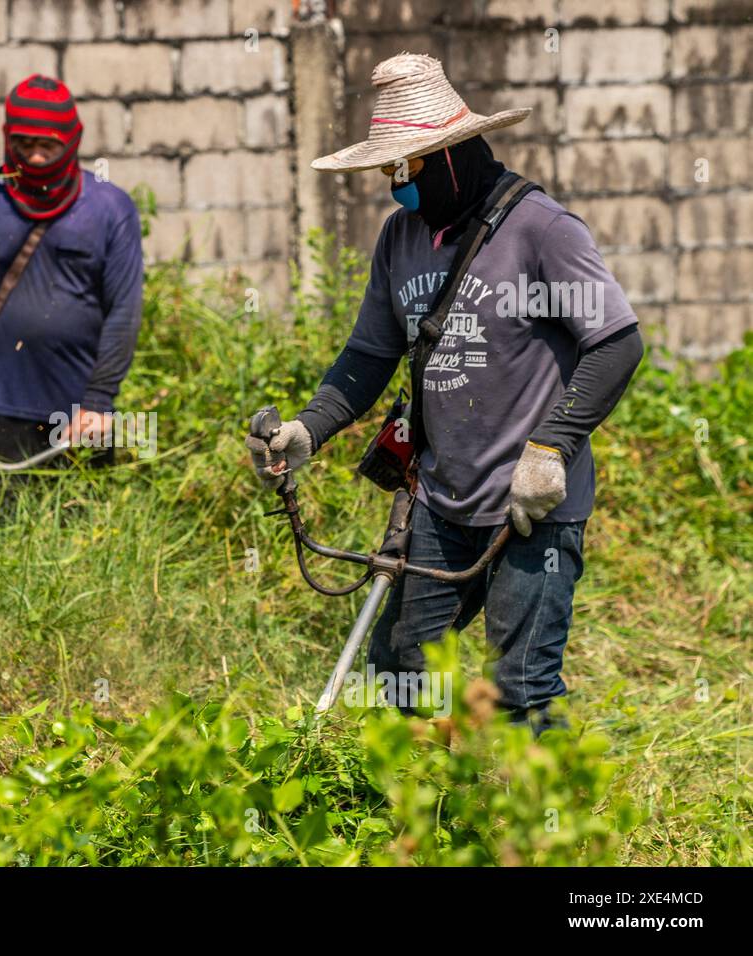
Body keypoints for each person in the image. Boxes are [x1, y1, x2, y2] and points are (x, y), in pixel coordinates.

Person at [247, 54, 644, 734]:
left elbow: (617, 342)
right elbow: (369, 355)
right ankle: (422, 818)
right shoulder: (401, 238)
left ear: (451, 157)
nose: (393, 186)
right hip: (440, 500)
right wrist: (309, 430)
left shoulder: (542, 231)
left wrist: (551, 446)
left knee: (521, 689)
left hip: (532, 504)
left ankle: (546, 831)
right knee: (399, 664)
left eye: (405, 170)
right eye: (387, 172)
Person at [0, 74, 144, 507]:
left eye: (49, 146)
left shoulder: (110, 210)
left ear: (73, 141)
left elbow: (124, 312)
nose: (36, 157)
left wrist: (98, 402)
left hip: (80, 412)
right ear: (7, 138)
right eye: (24, 144)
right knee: (1, 541)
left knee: (83, 548)